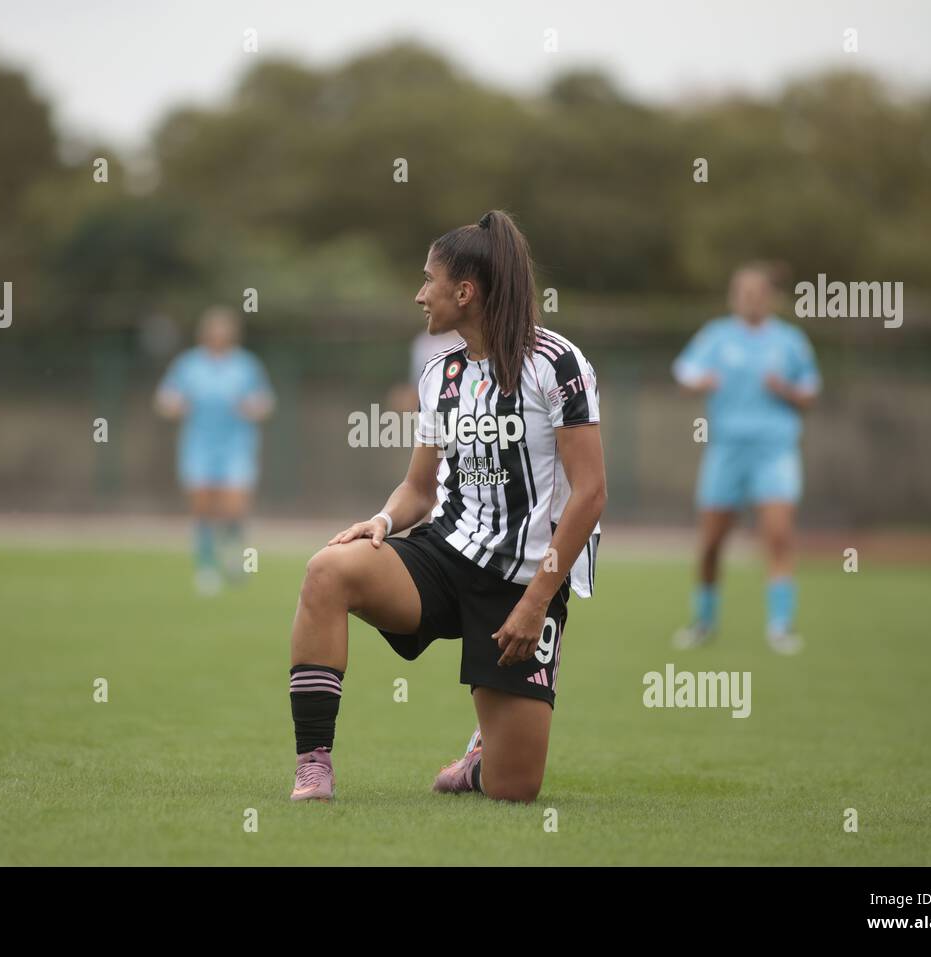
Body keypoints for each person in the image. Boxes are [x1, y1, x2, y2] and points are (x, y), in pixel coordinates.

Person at [285, 210, 606, 803]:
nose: (419, 295)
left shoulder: (557, 364)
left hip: (524, 582)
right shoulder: (440, 373)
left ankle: (482, 758)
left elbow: (590, 493)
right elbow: (420, 490)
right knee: (327, 570)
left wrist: (537, 601)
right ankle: (313, 765)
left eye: (427, 280)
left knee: (514, 791)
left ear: (465, 292)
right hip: (446, 554)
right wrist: (382, 521)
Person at [670, 262, 821, 654]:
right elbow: (684, 373)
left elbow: (810, 392)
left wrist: (784, 389)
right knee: (711, 543)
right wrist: (700, 382)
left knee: (779, 535)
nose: (751, 299)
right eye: (744, 292)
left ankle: (780, 626)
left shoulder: (790, 341)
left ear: (771, 298)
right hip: (726, 451)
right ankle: (703, 622)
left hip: (775, 451)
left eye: (758, 292)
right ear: (734, 297)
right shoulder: (716, 336)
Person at [154, 306, 274, 595]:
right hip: (199, 445)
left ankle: (233, 553)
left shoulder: (245, 365)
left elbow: (265, 402)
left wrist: (252, 407)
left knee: (235, 506)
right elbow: (165, 398)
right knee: (202, 506)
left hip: (236, 445)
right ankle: (206, 567)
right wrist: (174, 405)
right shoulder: (189, 365)